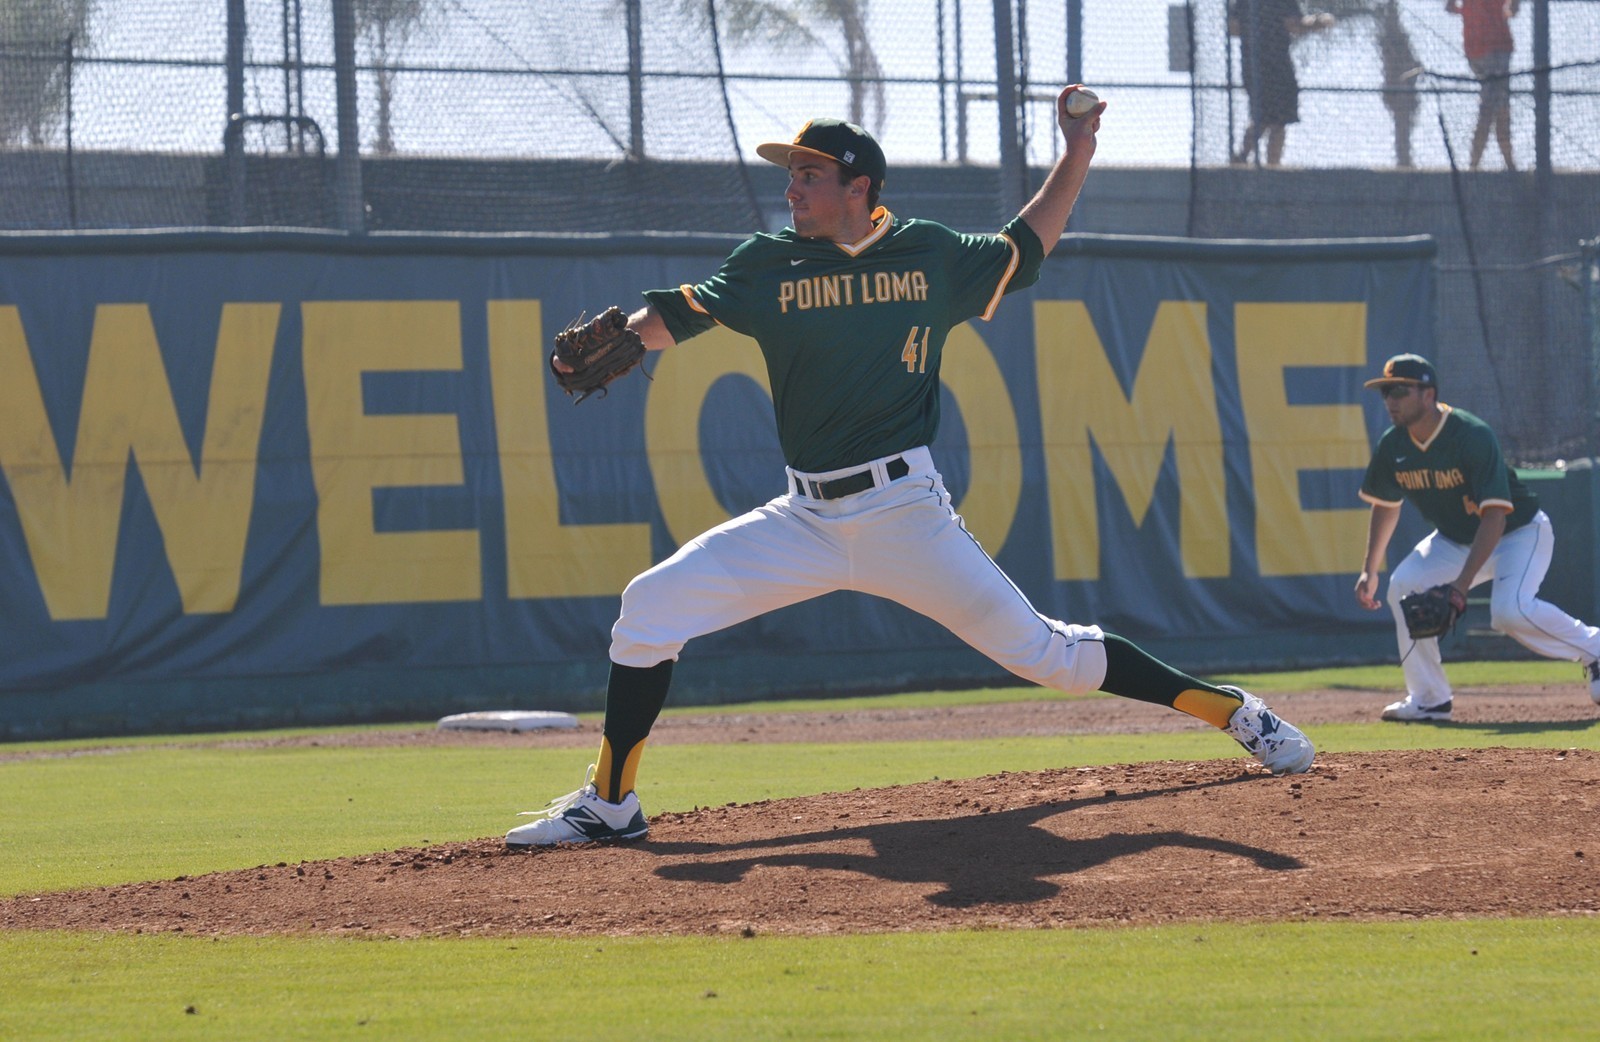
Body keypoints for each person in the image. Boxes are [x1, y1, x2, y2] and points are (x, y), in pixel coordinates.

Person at [507, 89, 1314, 848]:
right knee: (649, 609)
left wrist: (1079, 148)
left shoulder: (928, 254)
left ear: (858, 187)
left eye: (809, 174)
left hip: (905, 514)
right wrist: (626, 340)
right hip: (805, 519)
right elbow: (676, 317)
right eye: (790, 173)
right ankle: (612, 805)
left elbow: (1027, 244)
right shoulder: (767, 263)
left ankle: (1233, 711)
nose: (792, 188)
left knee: (1053, 658)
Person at [1355, 354, 1600, 722]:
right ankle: (1429, 698)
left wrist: (1460, 586)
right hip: (1455, 540)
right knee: (1403, 586)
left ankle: (1594, 647)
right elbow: (1387, 504)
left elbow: (1496, 516)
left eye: (1399, 391)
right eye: (1385, 392)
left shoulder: (1471, 435)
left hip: (1519, 533)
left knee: (1509, 611)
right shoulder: (1394, 445)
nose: (1390, 400)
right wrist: (1369, 569)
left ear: (1428, 394)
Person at [1229, 0, 1334, 166]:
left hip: (1252, 65)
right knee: (1274, 119)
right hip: (1275, 64)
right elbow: (1294, 25)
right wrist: (1318, 22)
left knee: (1266, 116)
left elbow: (1234, 27)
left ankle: (1247, 158)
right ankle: (1267, 164)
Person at [1446, 0, 1519, 171]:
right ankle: (1481, 162)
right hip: (1493, 47)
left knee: (1496, 104)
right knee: (1494, 106)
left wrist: (1468, 12)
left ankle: (1485, 161)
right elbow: (1514, 9)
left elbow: (1450, 7)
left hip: (1478, 46)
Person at [1378, 0, 1421, 169]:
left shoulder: (1399, 42)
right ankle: (1403, 159)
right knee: (1401, 126)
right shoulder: (1389, 43)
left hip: (1404, 90)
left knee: (1404, 126)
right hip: (1397, 90)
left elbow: (1411, 65)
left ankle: (1405, 158)